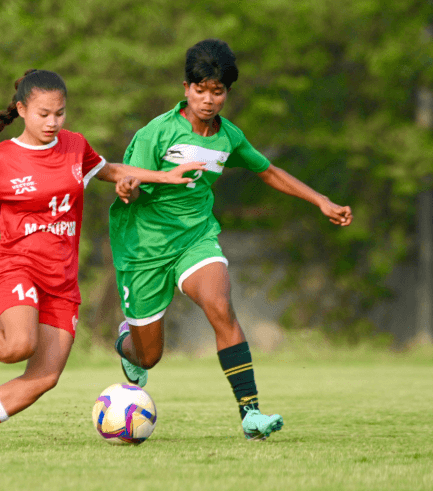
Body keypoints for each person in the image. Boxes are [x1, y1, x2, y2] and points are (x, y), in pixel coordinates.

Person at [0, 69, 204, 449]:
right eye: (43, 114)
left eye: (59, 113)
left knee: (45, 376)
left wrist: (164, 176)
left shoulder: (74, 146)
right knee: (18, 344)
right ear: (22, 109)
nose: (52, 122)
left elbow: (110, 170)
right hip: (18, 267)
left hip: (62, 280)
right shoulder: (1, 162)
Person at [110, 39, 353, 441]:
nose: (207, 99)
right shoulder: (157, 132)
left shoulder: (228, 138)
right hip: (144, 248)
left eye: (217, 91)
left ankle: (251, 414)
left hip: (196, 239)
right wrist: (128, 189)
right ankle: (126, 343)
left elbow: (268, 170)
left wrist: (320, 200)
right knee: (148, 355)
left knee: (221, 307)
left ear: (227, 93)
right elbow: (128, 179)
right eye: (200, 89)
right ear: (186, 88)